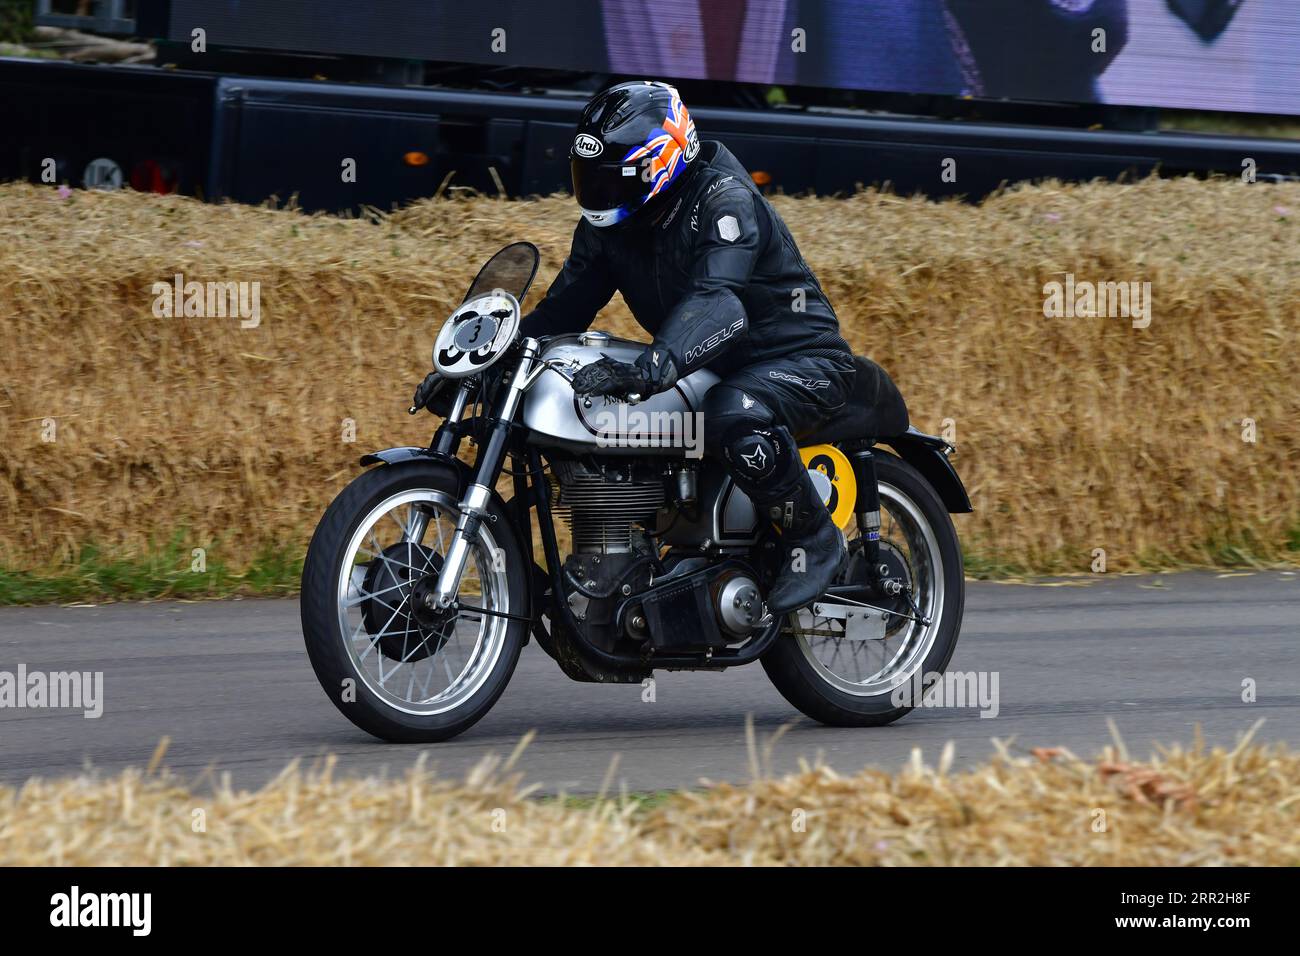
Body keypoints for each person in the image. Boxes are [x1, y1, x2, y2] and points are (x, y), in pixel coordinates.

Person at [520, 80, 856, 615]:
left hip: (797, 359)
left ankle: (814, 538)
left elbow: (719, 301)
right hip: (706, 360)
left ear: (660, 162)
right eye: (590, 177)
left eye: (614, 177)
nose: (598, 192)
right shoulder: (611, 228)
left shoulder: (723, 199)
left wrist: (657, 364)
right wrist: (495, 359)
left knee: (731, 412)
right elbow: (562, 311)